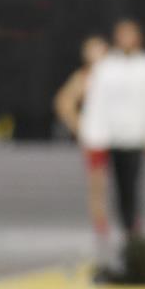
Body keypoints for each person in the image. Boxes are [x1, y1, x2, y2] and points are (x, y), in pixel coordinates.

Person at [79, 18, 145, 242]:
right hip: (112, 136)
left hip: (136, 136)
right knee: (116, 183)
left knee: (133, 182)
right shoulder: (106, 67)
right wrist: (94, 135)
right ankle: (121, 223)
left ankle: (132, 222)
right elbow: (96, 103)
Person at [54, 34, 111, 252]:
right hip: (97, 137)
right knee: (97, 184)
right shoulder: (84, 77)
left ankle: (129, 219)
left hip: (119, 135)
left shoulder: (118, 75)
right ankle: (101, 224)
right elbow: (63, 101)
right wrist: (80, 126)